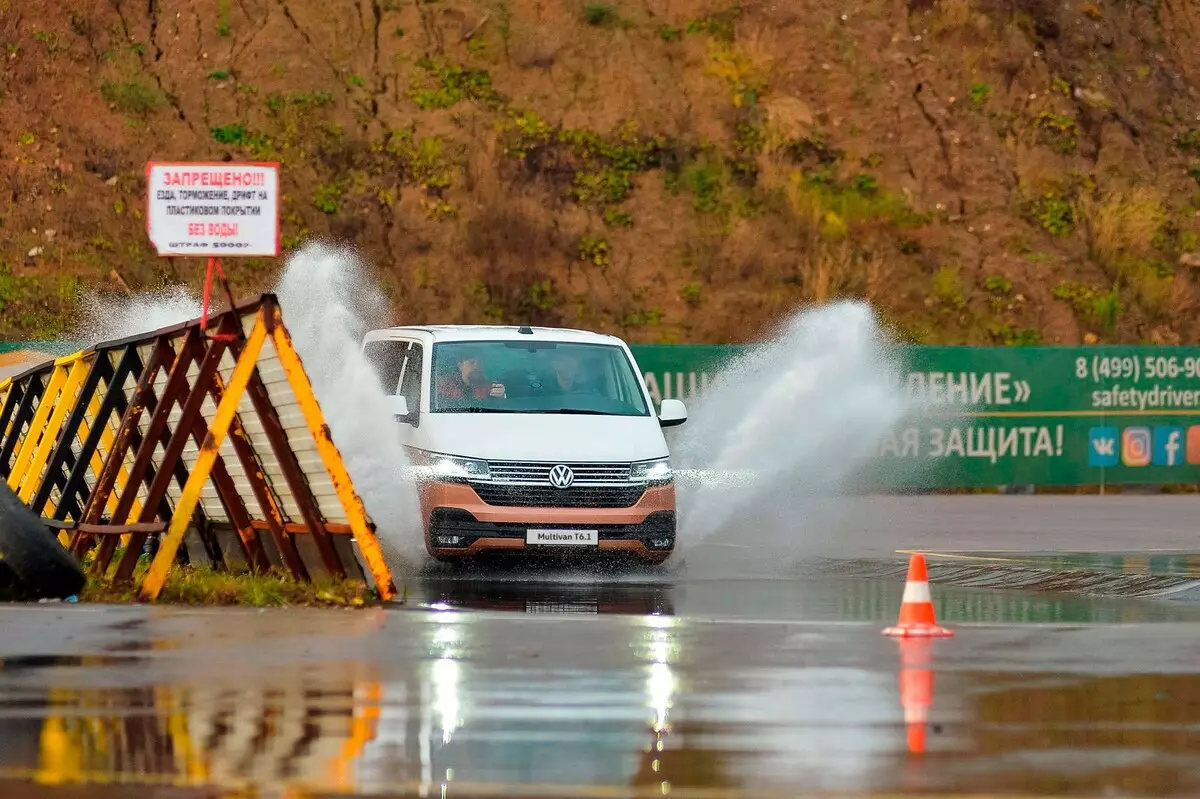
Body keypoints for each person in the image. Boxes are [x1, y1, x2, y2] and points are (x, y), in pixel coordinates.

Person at [436, 354, 505, 403]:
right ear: (460, 365)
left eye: (480, 363)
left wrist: (502, 396)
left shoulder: (490, 388)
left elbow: (498, 406)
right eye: (472, 363)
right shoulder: (443, 384)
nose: (476, 367)